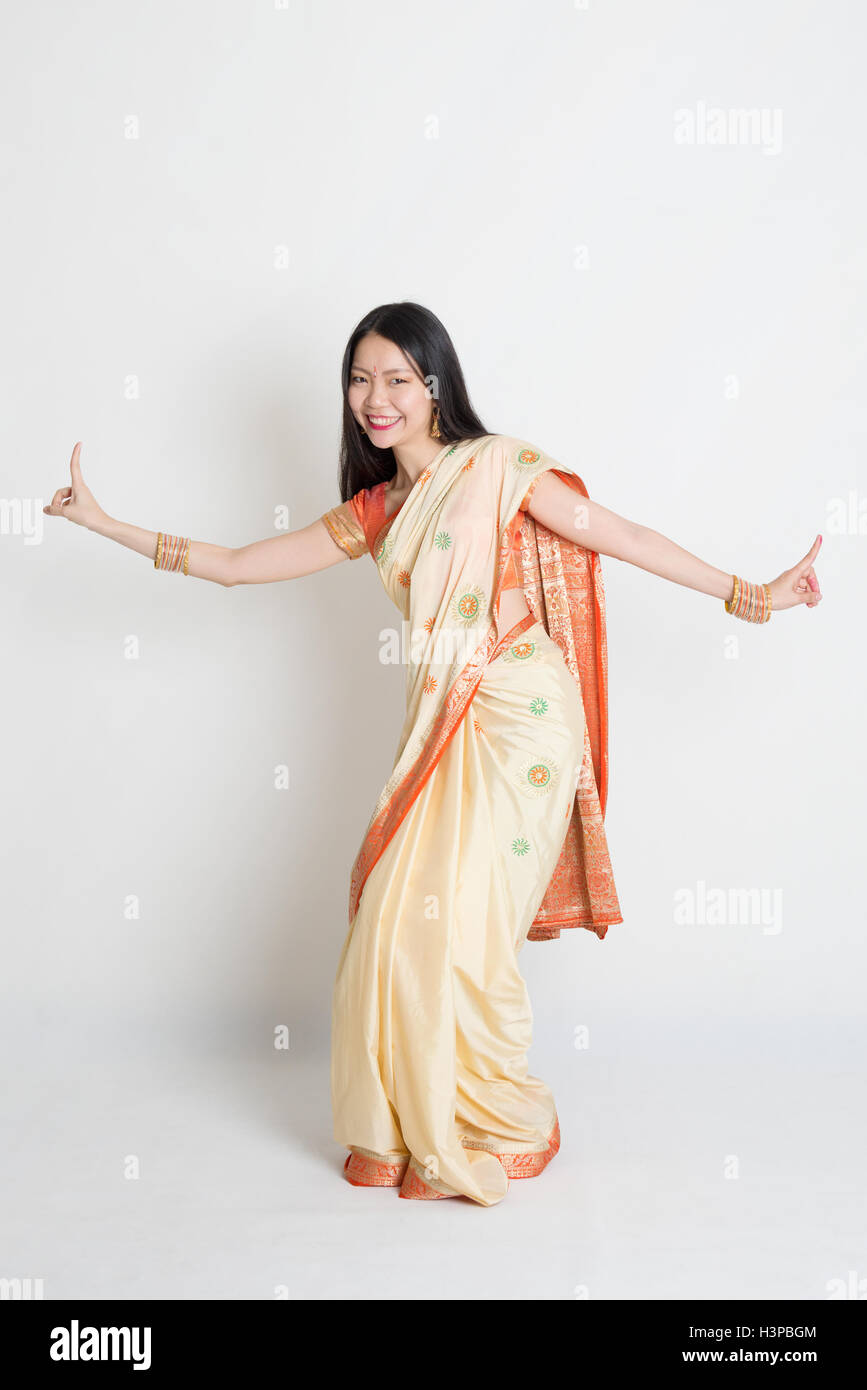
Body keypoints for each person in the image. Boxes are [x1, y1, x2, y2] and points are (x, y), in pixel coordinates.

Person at [44, 301, 823, 1206]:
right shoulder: (379, 509)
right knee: (395, 919)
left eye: (396, 380)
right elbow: (235, 563)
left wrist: (752, 596)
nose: (375, 399)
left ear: (435, 386)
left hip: (524, 716)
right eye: (360, 378)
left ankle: (501, 1116)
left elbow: (625, 537)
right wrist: (105, 524)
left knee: (467, 924)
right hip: (445, 729)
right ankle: (417, 1121)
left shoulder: (495, 468)